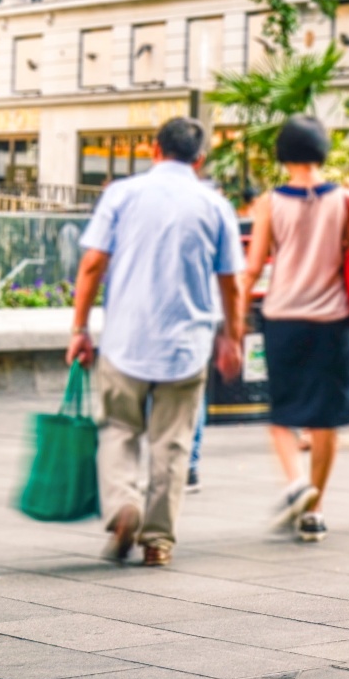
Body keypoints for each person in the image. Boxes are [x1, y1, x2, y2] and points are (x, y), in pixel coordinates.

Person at [67, 117, 245, 566]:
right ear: (199, 160)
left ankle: (124, 506)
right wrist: (232, 338)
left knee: (119, 430)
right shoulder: (214, 205)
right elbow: (232, 284)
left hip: (125, 340)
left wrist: (79, 328)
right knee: (172, 443)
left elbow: (92, 265)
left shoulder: (121, 194)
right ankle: (158, 540)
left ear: (154, 149)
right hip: (186, 345)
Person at [240, 115, 349, 543]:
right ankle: (314, 511)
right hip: (332, 321)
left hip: (283, 317)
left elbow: (253, 265)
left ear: (283, 154)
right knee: (325, 419)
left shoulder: (269, 202)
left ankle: (297, 483)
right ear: (322, 151)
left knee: (282, 411)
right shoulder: (344, 199)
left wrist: (235, 317)